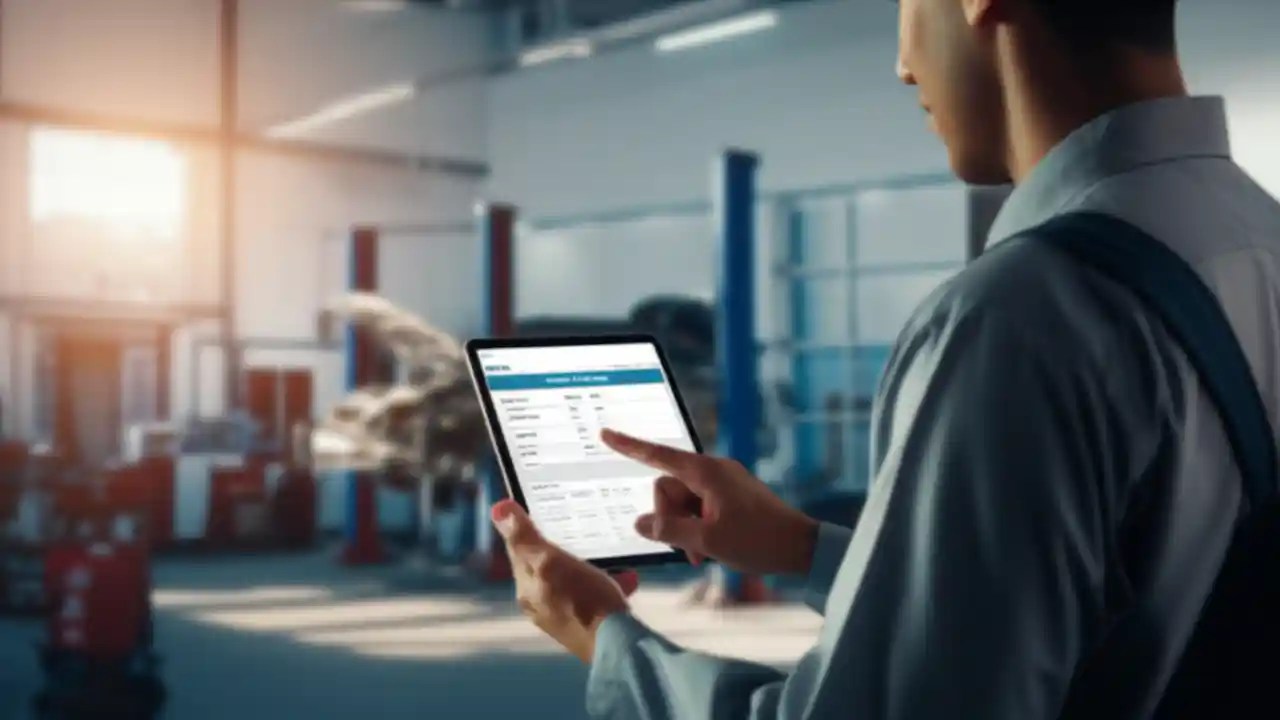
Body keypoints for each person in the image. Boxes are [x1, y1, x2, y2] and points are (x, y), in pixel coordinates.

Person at [491, 0, 1280, 717]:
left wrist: (604, 636)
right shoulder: (1257, 240)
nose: (904, 65)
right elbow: (1116, 596)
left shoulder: (1022, 315)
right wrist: (807, 550)